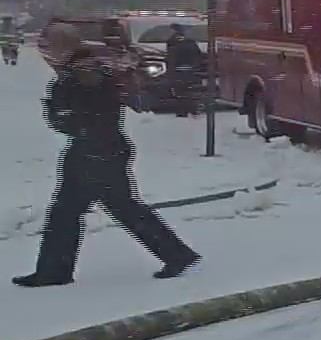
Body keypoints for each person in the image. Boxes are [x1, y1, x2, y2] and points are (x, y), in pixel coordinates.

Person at [12, 23, 199, 287]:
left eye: (48, 50)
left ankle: (55, 270)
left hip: (94, 152)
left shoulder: (78, 75)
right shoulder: (91, 68)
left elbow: (75, 119)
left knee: (87, 211)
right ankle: (55, 270)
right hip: (102, 148)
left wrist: (57, 111)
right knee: (88, 210)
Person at [163, 23, 206, 115]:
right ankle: (193, 109)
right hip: (190, 69)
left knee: (180, 91)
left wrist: (169, 70)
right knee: (189, 91)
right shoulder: (190, 41)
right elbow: (198, 55)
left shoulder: (172, 42)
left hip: (178, 70)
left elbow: (171, 57)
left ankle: (182, 111)